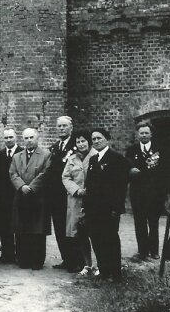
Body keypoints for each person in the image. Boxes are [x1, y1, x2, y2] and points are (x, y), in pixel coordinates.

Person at [83, 128, 129, 281]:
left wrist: (116, 208)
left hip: (109, 209)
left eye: (99, 138)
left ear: (107, 139)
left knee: (110, 240)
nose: (96, 141)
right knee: (96, 238)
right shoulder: (93, 160)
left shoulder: (116, 159)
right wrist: (85, 205)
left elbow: (120, 186)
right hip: (93, 208)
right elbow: (88, 185)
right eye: (94, 139)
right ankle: (103, 271)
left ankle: (115, 274)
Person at [9, 128, 52, 270]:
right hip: (21, 196)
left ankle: (37, 260)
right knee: (22, 230)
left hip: (37, 198)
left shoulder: (45, 155)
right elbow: (13, 173)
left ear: (37, 138)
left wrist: (31, 187)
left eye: (31, 137)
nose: (28, 140)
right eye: (26, 138)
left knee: (37, 231)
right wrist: (21, 186)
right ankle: (23, 259)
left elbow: (46, 173)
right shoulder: (17, 156)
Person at [125, 121, 166, 260]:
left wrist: (163, 192)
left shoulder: (159, 149)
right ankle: (142, 251)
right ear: (137, 135)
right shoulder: (132, 150)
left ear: (151, 134)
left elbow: (164, 172)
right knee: (139, 222)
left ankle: (154, 251)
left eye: (146, 133)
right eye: (141, 133)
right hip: (137, 193)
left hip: (154, 193)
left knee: (153, 222)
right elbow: (126, 167)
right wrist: (130, 170)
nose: (143, 135)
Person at [61, 129, 98, 275]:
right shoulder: (72, 159)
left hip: (93, 200)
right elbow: (65, 177)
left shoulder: (96, 156)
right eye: (78, 142)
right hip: (76, 201)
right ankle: (87, 264)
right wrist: (77, 190)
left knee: (95, 233)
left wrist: (90, 190)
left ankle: (98, 264)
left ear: (89, 142)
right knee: (79, 235)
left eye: (83, 141)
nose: (81, 144)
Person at [47, 116, 78, 270]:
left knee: (72, 228)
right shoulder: (55, 147)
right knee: (60, 228)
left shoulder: (76, 145)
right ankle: (66, 259)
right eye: (59, 126)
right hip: (56, 195)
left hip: (70, 194)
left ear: (71, 127)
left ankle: (76, 261)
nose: (61, 129)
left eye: (64, 126)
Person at [0, 128, 21, 262]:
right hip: (4, 197)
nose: (9, 140)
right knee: (5, 225)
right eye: (6, 138)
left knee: (20, 226)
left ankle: (21, 254)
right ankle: (7, 254)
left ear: (16, 137)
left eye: (11, 137)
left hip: (19, 194)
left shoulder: (22, 152)